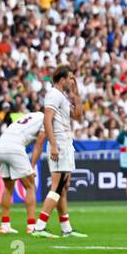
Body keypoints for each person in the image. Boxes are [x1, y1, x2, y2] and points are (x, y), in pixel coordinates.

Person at [30, 66, 87, 237]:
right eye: (70, 78)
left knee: (64, 187)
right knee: (58, 186)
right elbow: (47, 120)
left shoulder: (62, 96)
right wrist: (53, 144)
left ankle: (66, 228)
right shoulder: (54, 94)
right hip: (60, 144)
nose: (72, 81)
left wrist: (76, 93)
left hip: (65, 143)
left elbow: (78, 116)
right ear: (62, 79)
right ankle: (39, 227)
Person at [0, 111, 46, 235]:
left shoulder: (34, 115)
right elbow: (39, 145)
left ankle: (4, 225)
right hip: (14, 147)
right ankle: (31, 226)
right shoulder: (47, 119)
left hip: (0, 146)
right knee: (31, 186)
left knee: (8, 187)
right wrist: (32, 166)